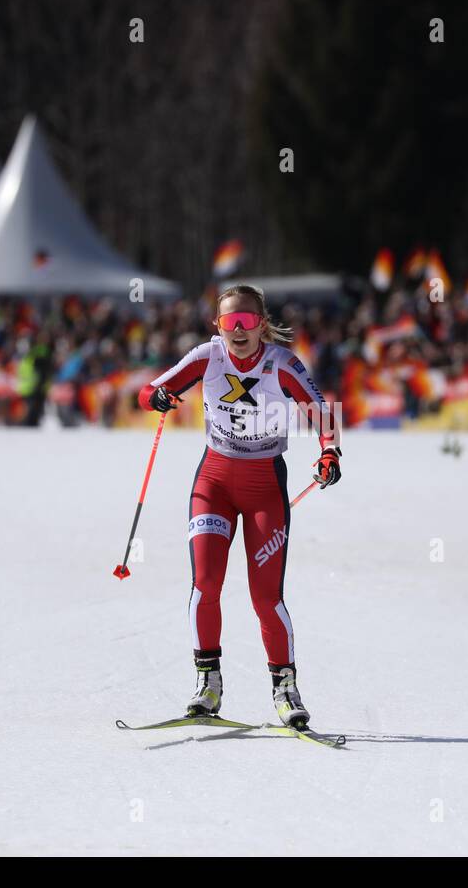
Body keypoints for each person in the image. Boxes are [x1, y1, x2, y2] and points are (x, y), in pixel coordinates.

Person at [136, 284, 341, 728]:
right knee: (206, 583)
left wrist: (330, 453)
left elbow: (323, 413)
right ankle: (207, 684)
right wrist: (156, 398)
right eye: (231, 322)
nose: (239, 330)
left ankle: (285, 689)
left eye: (248, 321)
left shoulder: (281, 363)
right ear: (219, 326)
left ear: (262, 324)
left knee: (265, 597)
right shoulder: (206, 356)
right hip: (214, 483)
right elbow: (149, 391)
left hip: (265, 486)